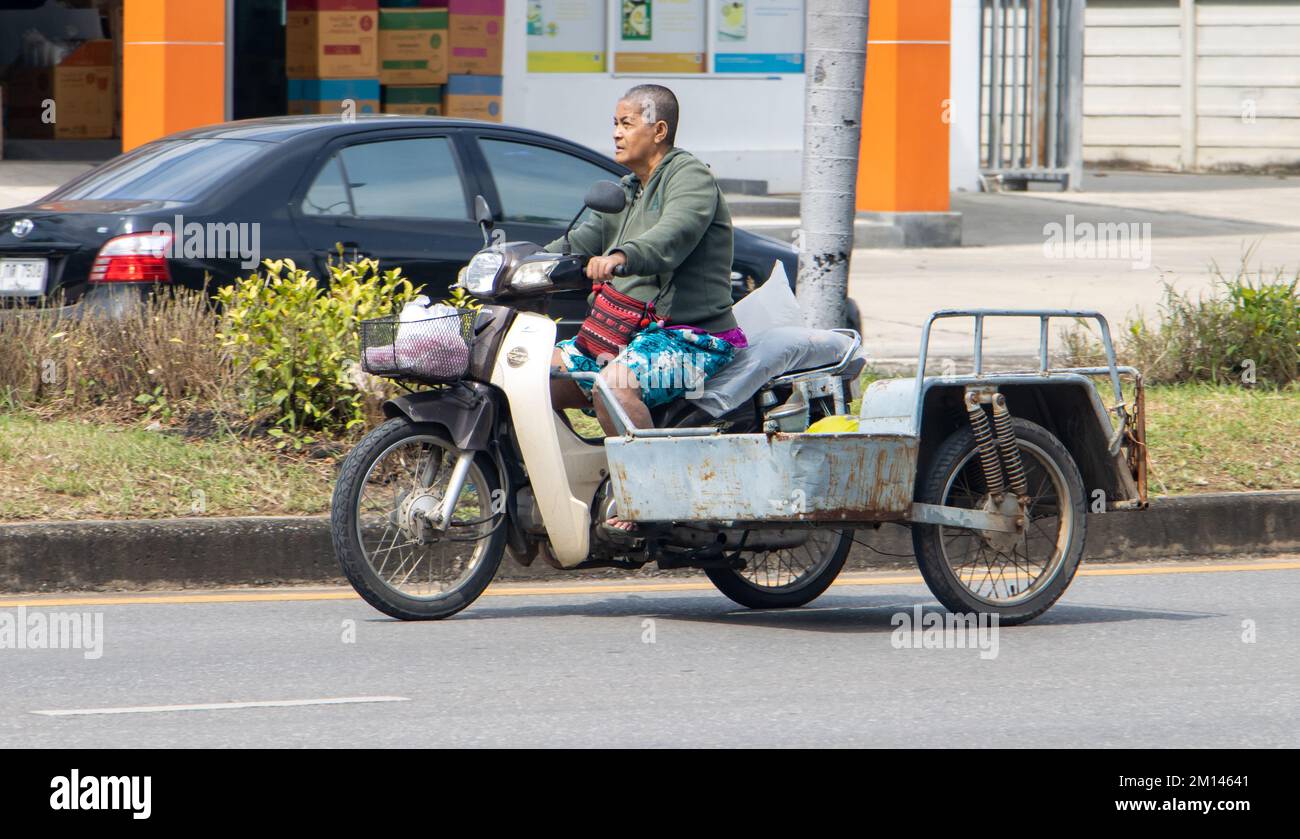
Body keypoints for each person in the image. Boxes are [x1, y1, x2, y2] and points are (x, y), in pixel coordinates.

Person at [548, 84, 747, 445]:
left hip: (692, 338)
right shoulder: (626, 190)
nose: (616, 133)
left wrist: (621, 256)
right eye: (615, 123)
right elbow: (574, 243)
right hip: (622, 336)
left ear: (659, 131)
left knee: (615, 387)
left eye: (626, 123)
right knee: (535, 380)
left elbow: (674, 233)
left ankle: (654, 494)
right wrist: (518, 263)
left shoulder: (690, 176)